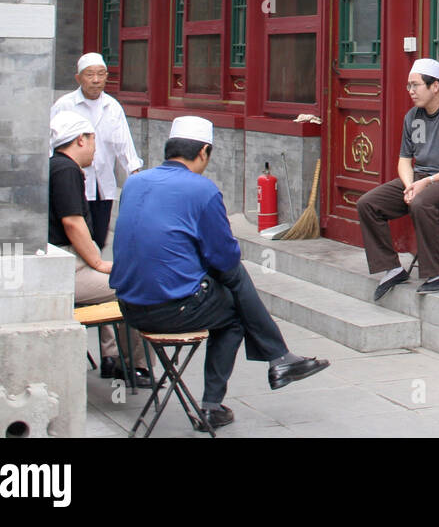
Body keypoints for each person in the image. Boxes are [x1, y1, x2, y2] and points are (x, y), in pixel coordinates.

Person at [112, 116, 329, 431]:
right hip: (172, 310)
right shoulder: (202, 189)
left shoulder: (134, 183)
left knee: (229, 283)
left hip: (129, 307)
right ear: (203, 152)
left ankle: (279, 358)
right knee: (235, 305)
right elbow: (225, 257)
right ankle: (221, 399)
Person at [357, 58, 439, 300]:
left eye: (415, 85)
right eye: (408, 86)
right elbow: (404, 160)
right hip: (419, 179)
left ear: (435, 86)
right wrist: (410, 185)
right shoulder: (412, 116)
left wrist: (426, 183)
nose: (410, 91)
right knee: (368, 203)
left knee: (421, 202)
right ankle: (391, 268)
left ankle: (436, 275)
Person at [48, 112, 150, 386]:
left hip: (66, 261)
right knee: (130, 286)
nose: (96, 148)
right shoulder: (65, 169)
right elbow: (72, 221)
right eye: (93, 140)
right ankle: (137, 365)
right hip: (68, 265)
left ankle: (114, 359)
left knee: (110, 289)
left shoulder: (56, 166)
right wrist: (97, 262)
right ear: (80, 140)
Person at [50, 53, 142, 249]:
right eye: (90, 74)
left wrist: (134, 173)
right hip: (72, 182)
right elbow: (51, 142)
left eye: (101, 74)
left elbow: (123, 143)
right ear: (78, 78)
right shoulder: (64, 105)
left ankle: (95, 270)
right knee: (75, 235)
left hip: (103, 185)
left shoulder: (112, 107)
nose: (96, 80)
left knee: (99, 238)